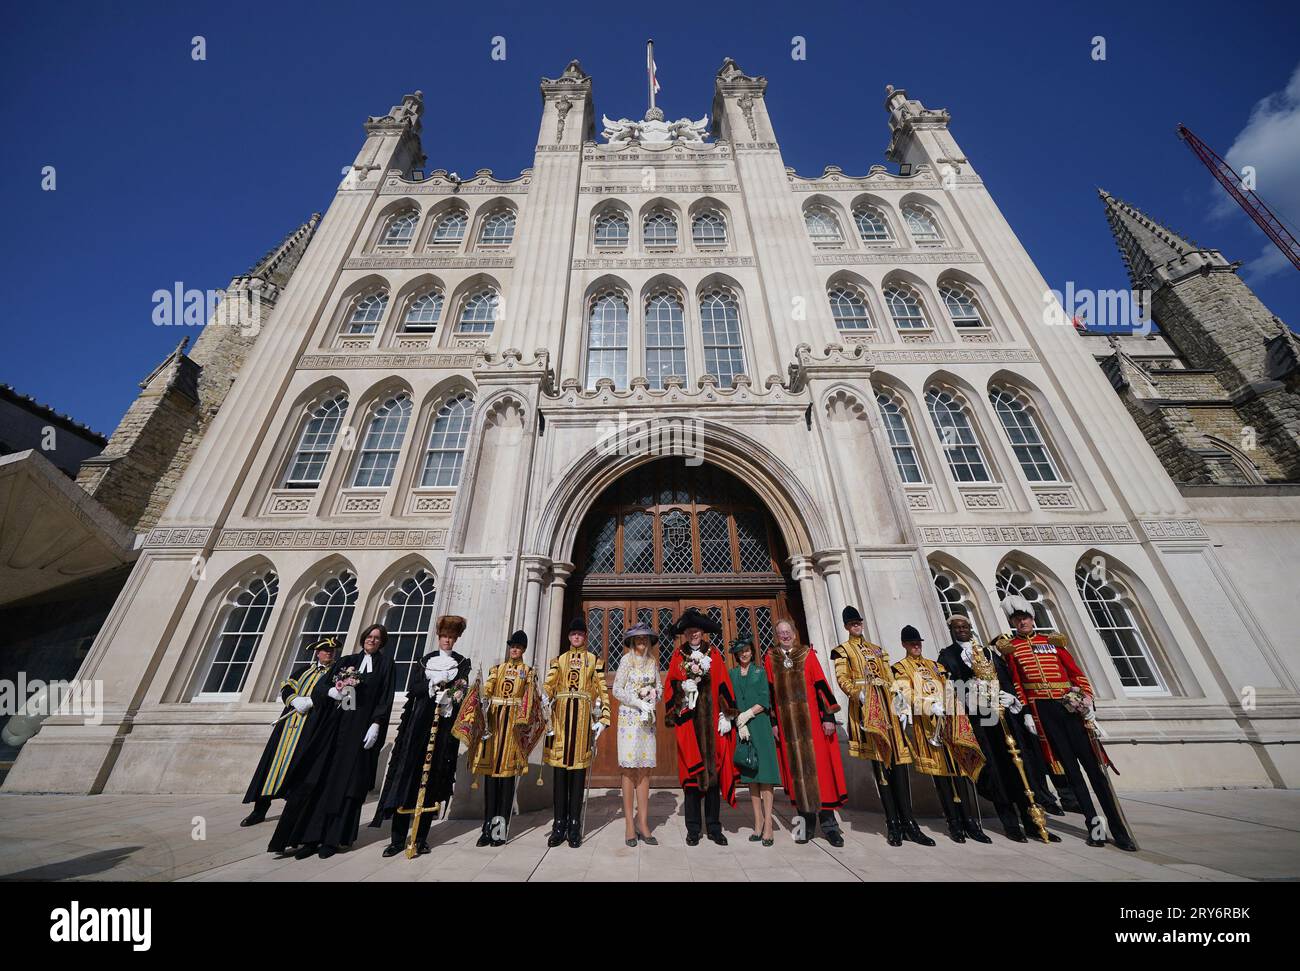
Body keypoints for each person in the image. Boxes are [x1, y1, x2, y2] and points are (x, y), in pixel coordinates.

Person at [998, 596, 1138, 851]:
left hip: (1069, 706)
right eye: (1017, 620)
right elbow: (1018, 682)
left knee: (1096, 773)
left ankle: (1119, 831)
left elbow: (1075, 673)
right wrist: (1027, 711)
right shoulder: (1013, 649)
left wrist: (1087, 702)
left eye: (1025, 618)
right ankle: (1095, 827)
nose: (1023, 623)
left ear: (1032, 619)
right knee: (1073, 775)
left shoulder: (1052, 643)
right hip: (1044, 711)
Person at [267, 623, 395, 859]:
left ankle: (332, 839)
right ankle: (307, 838)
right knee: (318, 779)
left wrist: (376, 724)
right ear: (363, 638)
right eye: (370, 636)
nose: (373, 640)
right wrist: (332, 692)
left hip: (359, 730)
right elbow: (321, 686)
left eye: (378, 638)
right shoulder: (346, 660)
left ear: (382, 643)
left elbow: (385, 697)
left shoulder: (386, 665)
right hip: (334, 727)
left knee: (345, 785)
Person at [937, 614, 1060, 843]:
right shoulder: (947, 656)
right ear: (951, 631)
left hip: (1004, 716)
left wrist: (1012, 699)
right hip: (981, 719)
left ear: (971, 628)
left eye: (965, 626)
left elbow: (1006, 678)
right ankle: (1010, 823)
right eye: (957, 627)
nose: (962, 630)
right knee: (996, 770)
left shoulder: (988, 653)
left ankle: (1032, 821)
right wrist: (971, 693)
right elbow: (950, 687)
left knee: (1018, 766)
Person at [830, 606, 930, 846]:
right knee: (882, 766)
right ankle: (893, 822)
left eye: (858, 622)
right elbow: (842, 678)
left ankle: (910, 823)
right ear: (846, 626)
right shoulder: (843, 651)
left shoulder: (877, 650)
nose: (856, 626)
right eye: (852, 623)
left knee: (901, 765)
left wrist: (902, 700)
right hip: (868, 711)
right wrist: (857, 693)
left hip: (890, 710)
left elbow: (891, 677)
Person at [372, 615, 471, 858]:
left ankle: (422, 837)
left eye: (451, 637)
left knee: (434, 780)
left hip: (443, 729)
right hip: (418, 726)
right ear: (439, 637)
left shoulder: (462, 662)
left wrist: (451, 696)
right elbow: (413, 688)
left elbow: (462, 687)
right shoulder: (425, 660)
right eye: (445, 637)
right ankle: (397, 839)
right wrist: (429, 686)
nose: (447, 641)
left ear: (456, 639)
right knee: (407, 776)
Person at [892, 624, 988, 844]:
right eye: (912, 644)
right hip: (928, 727)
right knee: (942, 775)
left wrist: (954, 709)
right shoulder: (900, 668)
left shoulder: (936, 666)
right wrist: (927, 706)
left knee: (960, 773)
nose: (916, 647)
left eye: (918, 643)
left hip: (950, 724)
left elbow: (949, 689)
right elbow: (905, 694)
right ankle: (953, 822)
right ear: (905, 645)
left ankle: (970, 821)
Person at [766, 619, 847, 846]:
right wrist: (773, 722)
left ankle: (830, 827)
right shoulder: (771, 659)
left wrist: (828, 716)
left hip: (812, 725)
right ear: (777, 635)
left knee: (820, 774)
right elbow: (770, 693)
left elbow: (821, 684)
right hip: (788, 727)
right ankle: (804, 826)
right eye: (781, 632)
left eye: (788, 631)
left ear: (794, 633)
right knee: (797, 775)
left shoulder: (807, 655)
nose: (785, 635)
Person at [240, 636, 336, 827]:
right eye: (325, 650)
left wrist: (314, 701)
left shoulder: (335, 674)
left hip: (311, 726)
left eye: (332, 651)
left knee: (300, 766)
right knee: (272, 766)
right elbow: (287, 687)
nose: (329, 653)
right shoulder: (303, 671)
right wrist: (294, 700)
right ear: (318, 652)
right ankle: (260, 810)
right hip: (288, 726)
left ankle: (292, 812)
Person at [663, 607, 738, 846]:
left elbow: (724, 683)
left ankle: (714, 828)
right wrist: (681, 691)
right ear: (684, 633)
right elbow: (670, 685)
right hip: (688, 724)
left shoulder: (713, 654)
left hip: (711, 724)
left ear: (702, 632)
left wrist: (727, 714)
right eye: (689, 631)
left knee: (712, 777)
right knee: (692, 778)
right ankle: (693, 829)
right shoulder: (678, 655)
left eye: (696, 630)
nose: (693, 634)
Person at [542, 616, 611, 848]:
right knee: (560, 776)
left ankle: (574, 825)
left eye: (580, 634)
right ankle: (558, 825)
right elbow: (549, 684)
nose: (576, 637)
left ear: (585, 636)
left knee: (578, 776)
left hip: (582, 724)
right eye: (573, 634)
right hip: (561, 722)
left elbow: (602, 690)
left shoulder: (594, 661)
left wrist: (604, 717)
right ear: (569, 637)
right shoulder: (559, 660)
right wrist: (544, 694)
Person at [470, 628, 535, 846]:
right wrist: (483, 695)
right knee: (490, 780)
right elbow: (488, 687)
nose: (514, 650)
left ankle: (500, 829)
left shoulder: (528, 672)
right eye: (512, 647)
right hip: (494, 726)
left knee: (506, 781)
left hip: (512, 730)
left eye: (518, 647)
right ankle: (486, 827)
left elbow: (530, 698)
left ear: (523, 649)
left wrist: (523, 719)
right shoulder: (497, 669)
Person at [611, 621, 661, 847]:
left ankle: (643, 822)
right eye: (638, 638)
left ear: (649, 641)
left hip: (647, 721)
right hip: (629, 720)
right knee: (629, 769)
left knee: (645, 770)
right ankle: (629, 825)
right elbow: (617, 689)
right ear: (632, 641)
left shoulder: (653, 662)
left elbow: (659, 689)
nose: (642, 641)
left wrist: (652, 696)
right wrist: (637, 701)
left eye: (645, 638)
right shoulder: (625, 660)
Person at [729, 635, 780, 846]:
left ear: (752, 651)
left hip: (759, 724)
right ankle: (757, 823)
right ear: (736, 654)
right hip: (742, 728)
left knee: (765, 775)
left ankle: (768, 823)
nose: (744, 654)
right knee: (751, 775)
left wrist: (748, 714)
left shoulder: (759, 672)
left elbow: (764, 699)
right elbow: (729, 698)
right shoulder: (731, 674)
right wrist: (737, 721)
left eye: (747, 650)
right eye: (741, 651)